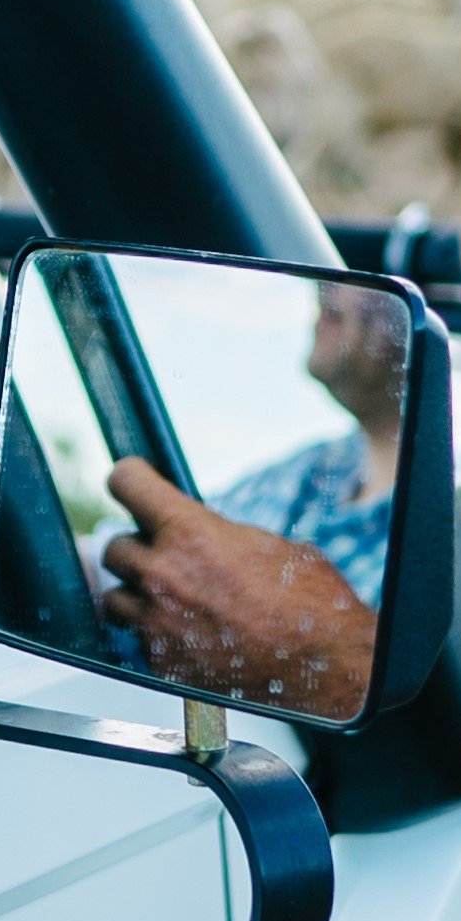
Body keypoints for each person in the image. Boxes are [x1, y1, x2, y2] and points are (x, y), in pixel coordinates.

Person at [97, 283, 407, 719]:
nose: (327, 286)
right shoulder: (314, 467)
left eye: (373, 273)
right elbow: (154, 553)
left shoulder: (459, 531)